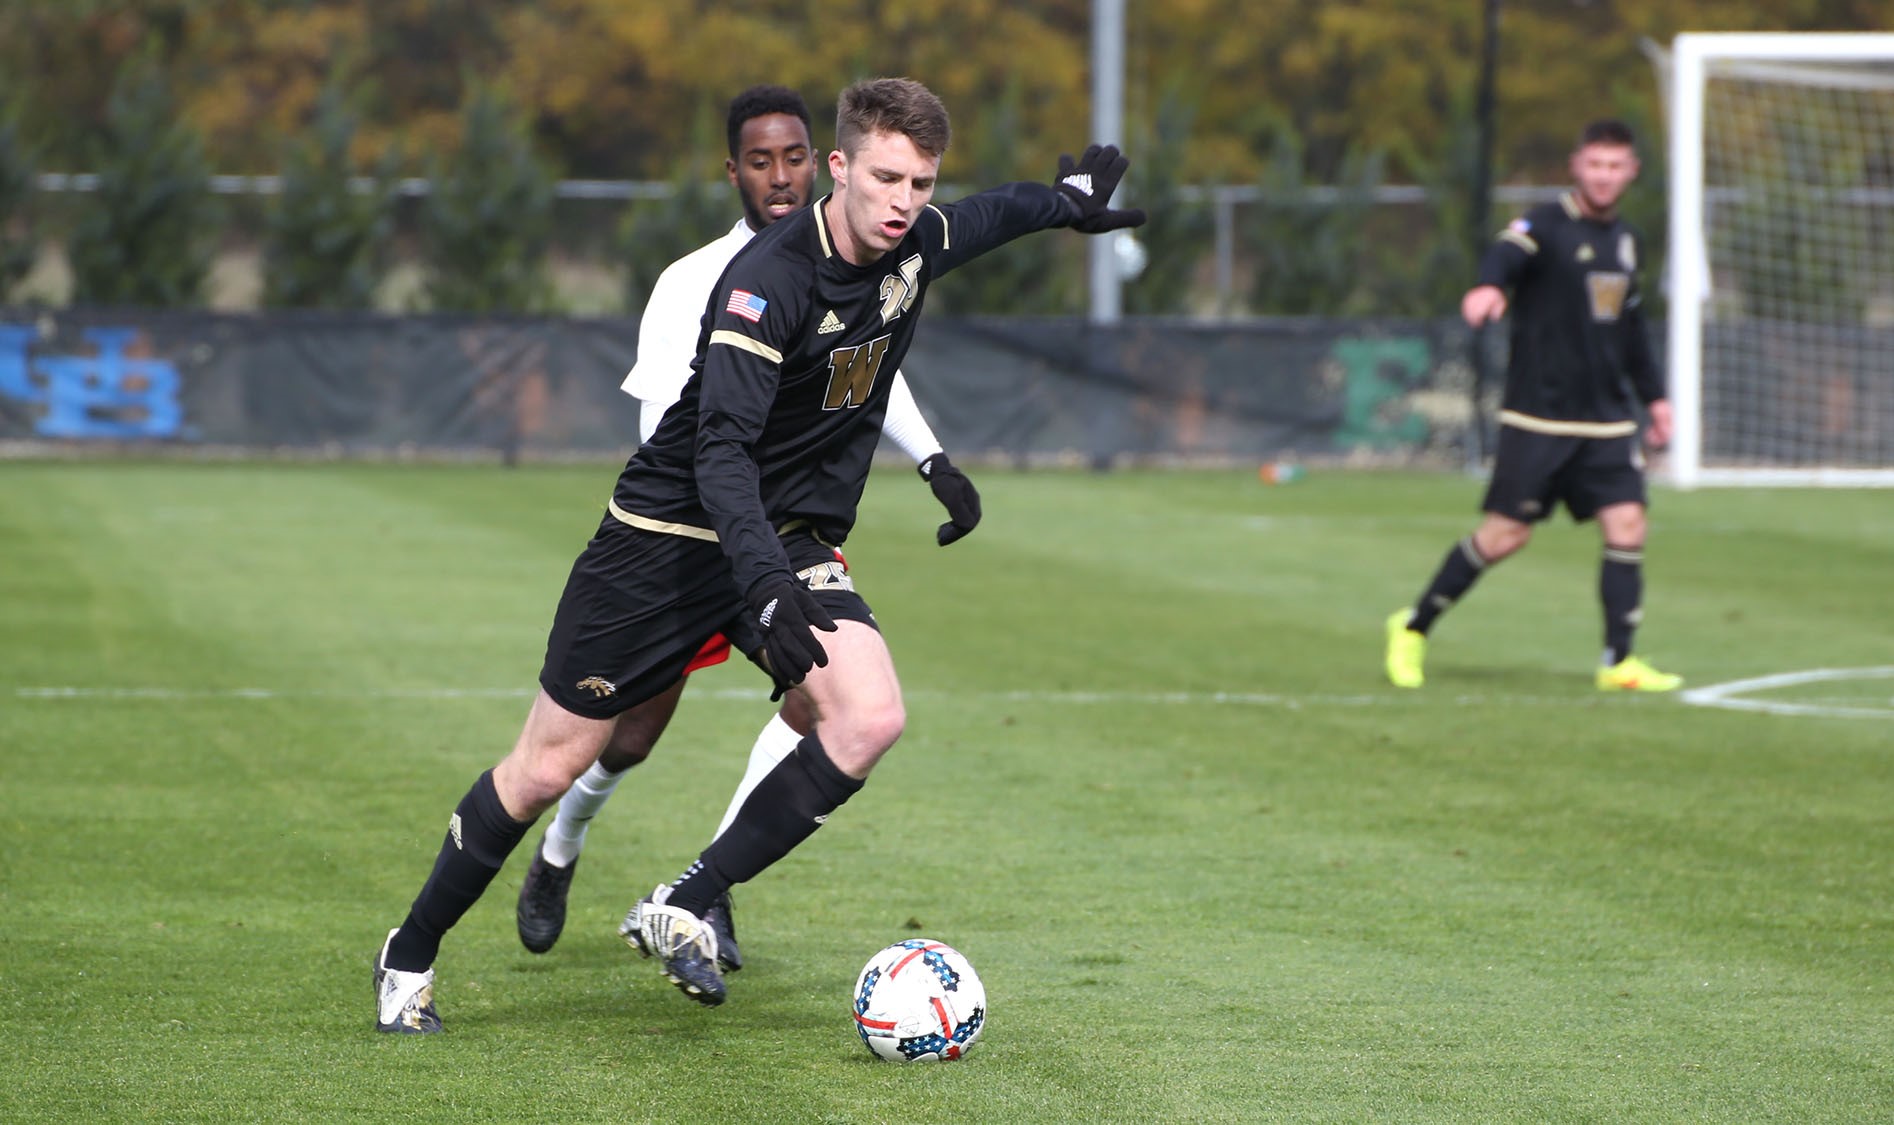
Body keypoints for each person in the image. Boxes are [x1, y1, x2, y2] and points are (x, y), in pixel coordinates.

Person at [373, 75, 1144, 1032]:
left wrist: (1062, 204)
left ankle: (686, 897)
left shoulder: (914, 242)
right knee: (545, 767)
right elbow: (721, 453)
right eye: (887, 178)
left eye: (921, 182)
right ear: (840, 168)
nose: (905, 201)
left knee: (869, 716)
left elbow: (989, 217)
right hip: (665, 540)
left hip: (783, 536)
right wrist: (770, 587)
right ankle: (407, 953)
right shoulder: (768, 281)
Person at [511, 85, 983, 976]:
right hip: (694, 539)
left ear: (822, 163)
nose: (780, 176)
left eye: (793, 157)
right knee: (632, 731)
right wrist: (722, 535)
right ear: (734, 172)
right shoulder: (695, 281)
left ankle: (704, 889)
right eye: (761, 161)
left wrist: (932, 460)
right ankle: (562, 846)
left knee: (824, 702)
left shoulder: (859, 252)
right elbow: (674, 430)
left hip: (788, 536)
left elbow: (866, 370)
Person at [1384, 119, 1681, 693]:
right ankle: (1413, 626)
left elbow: (1630, 330)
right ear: (1576, 166)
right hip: (1538, 416)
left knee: (1628, 523)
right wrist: (1488, 286)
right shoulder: (1544, 224)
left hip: (1607, 418)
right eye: (1595, 164)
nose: (1604, 176)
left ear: (1632, 172)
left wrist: (1656, 398)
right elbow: (1506, 252)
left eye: (1615, 166)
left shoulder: (1627, 241)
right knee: (1505, 536)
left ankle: (1618, 662)